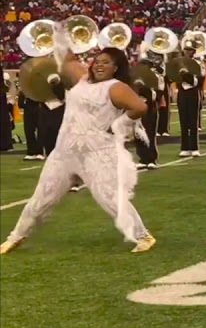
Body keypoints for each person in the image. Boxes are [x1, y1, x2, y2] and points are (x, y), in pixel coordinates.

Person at [1, 27, 155, 255]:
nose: (99, 65)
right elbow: (68, 58)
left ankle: (144, 236)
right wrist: (58, 32)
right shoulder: (82, 80)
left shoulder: (115, 87)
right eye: (97, 61)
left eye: (106, 62)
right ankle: (15, 237)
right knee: (40, 198)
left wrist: (119, 125)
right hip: (64, 152)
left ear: (116, 68)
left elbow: (140, 106)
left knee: (109, 198)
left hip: (97, 152)